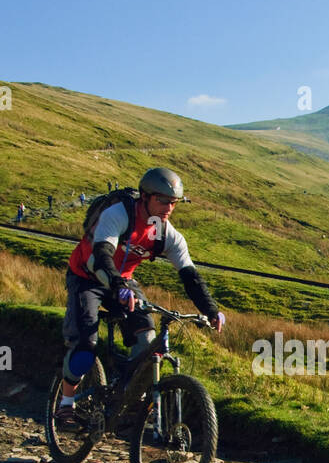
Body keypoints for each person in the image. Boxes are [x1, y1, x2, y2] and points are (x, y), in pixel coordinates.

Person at [56, 167, 225, 428]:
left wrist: (211, 310)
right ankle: (66, 404)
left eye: (173, 203)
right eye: (162, 201)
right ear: (144, 197)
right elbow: (100, 255)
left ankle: (128, 393)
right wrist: (117, 286)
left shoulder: (166, 234)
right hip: (87, 275)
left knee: (147, 339)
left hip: (123, 280)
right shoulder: (119, 214)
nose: (168, 208)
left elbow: (190, 276)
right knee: (85, 345)